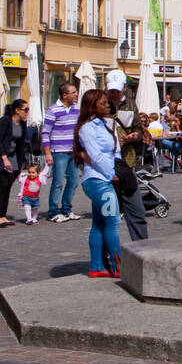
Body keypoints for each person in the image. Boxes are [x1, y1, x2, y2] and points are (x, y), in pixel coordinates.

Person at [73, 88, 122, 278]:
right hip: (98, 180)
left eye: (107, 102)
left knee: (99, 224)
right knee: (113, 222)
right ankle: (119, 266)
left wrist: (117, 167)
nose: (108, 105)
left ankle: (96, 266)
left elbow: (113, 149)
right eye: (103, 103)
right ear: (92, 106)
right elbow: (96, 155)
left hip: (105, 177)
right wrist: (111, 174)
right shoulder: (87, 128)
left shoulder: (104, 124)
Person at [104, 69, 149, 241]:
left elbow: (138, 127)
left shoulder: (130, 103)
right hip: (107, 164)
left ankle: (141, 249)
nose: (114, 94)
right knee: (108, 216)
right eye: (111, 90)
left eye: (117, 90)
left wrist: (135, 136)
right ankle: (108, 255)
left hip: (126, 161)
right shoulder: (101, 104)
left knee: (137, 211)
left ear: (124, 88)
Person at [0, 99, 31, 228]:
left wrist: (21, 161)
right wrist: (4, 158)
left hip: (13, 158)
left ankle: (3, 215)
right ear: (17, 110)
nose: (27, 112)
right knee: (2, 185)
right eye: (25, 110)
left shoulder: (22, 123)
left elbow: (21, 144)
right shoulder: (5, 121)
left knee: (8, 186)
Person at [42, 82, 82, 223]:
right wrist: (47, 152)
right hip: (59, 151)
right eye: (73, 92)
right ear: (65, 95)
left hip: (74, 152)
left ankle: (66, 209)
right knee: (58, 182)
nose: (76, 94)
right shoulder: (53, 110)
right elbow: (45, 132)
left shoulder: (77, 109)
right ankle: (53, 211)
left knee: (74, 181)